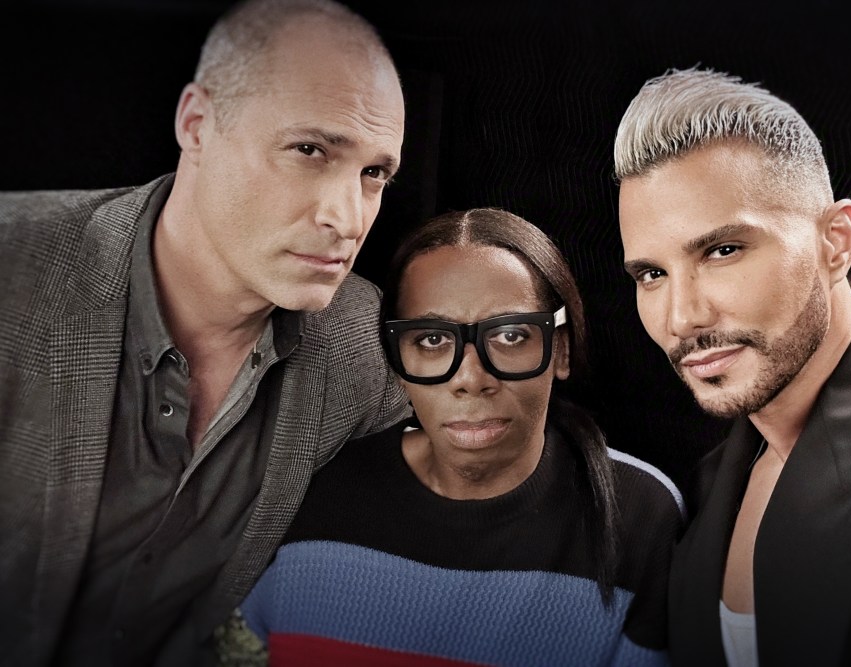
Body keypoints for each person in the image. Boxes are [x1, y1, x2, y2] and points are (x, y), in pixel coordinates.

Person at [0, 0, 411, 664]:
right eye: (309, 150)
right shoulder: (14, 268)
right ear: (196, 123)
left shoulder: (359, 343)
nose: (348, 218)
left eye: (373, 173)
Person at [614, 66, 851, 666]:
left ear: (835, 242)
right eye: (651, 274)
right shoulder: (700, 511)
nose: (682, 316)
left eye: (722, 250)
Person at [223, 208, 686, 666]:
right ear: (396, 362)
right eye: (431, 340)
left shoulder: (642, 514)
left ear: (559, 350)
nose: (470, 378)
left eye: (510, 335)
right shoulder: (318, 489)